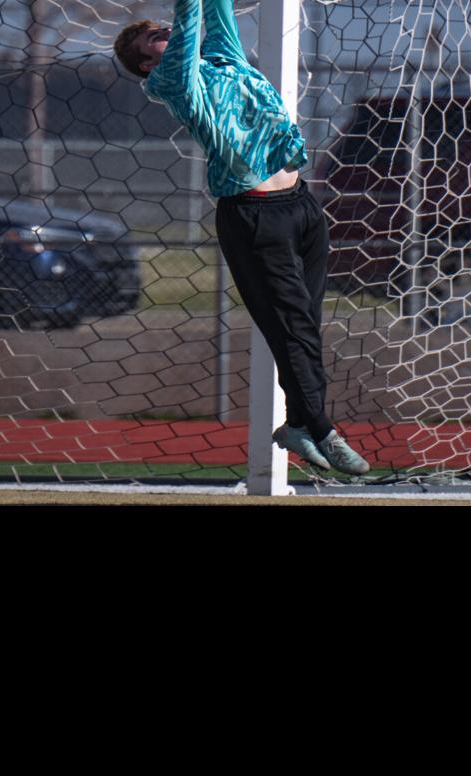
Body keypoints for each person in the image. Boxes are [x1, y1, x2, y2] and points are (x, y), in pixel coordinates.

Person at [113, 0, 369, 476]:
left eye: (159, 28)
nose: (163, 31)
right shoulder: (171, 82)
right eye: (152, 37)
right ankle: (321, 428)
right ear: (147, 62)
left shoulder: (224, 60)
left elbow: (218, 13)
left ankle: (297, 423)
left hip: (302, 207)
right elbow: (190, 30)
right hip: (253, 215)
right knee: (290, 328)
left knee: (305, 327)